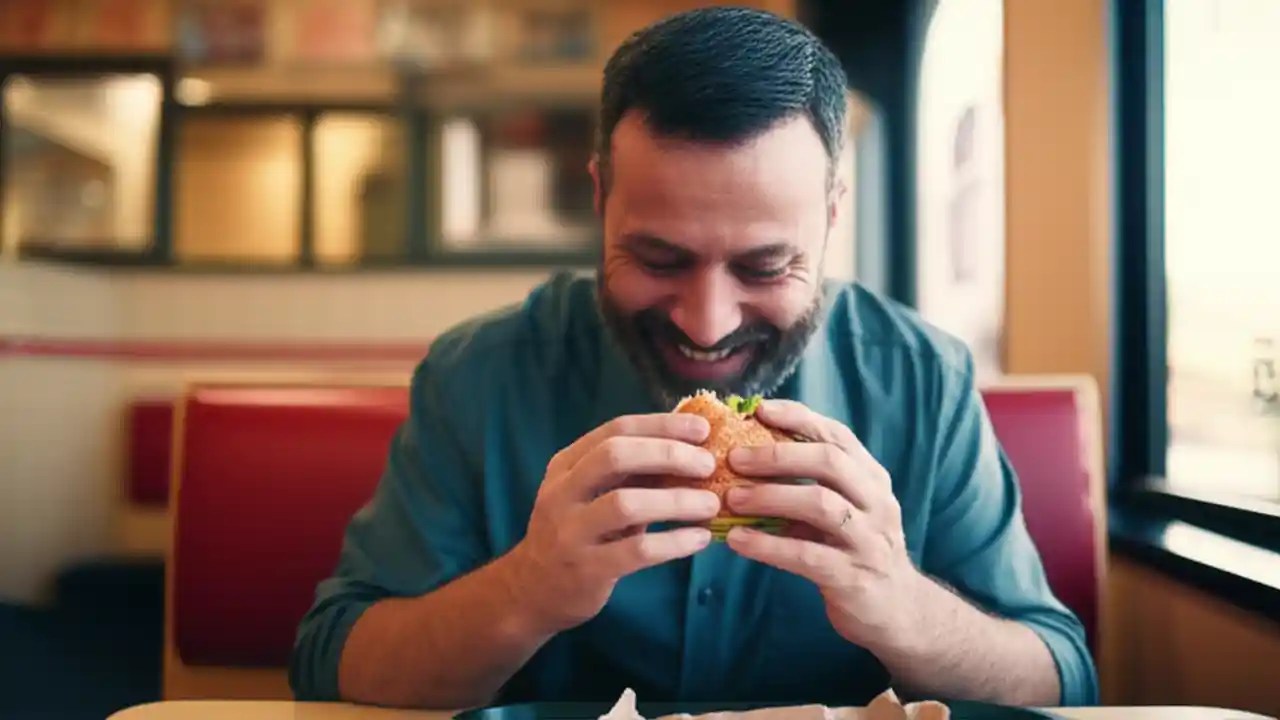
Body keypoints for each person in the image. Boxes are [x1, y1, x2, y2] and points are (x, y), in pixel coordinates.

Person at [289, 6, 1097, 711]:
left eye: (764, 266)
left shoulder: (923, 380)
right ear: (601, 196)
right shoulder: (481, 374)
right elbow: (330, 666)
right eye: (660, 259)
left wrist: (902, 607)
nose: (707, 325)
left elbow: (1064, 681)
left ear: (831, 215)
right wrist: (527, 589)